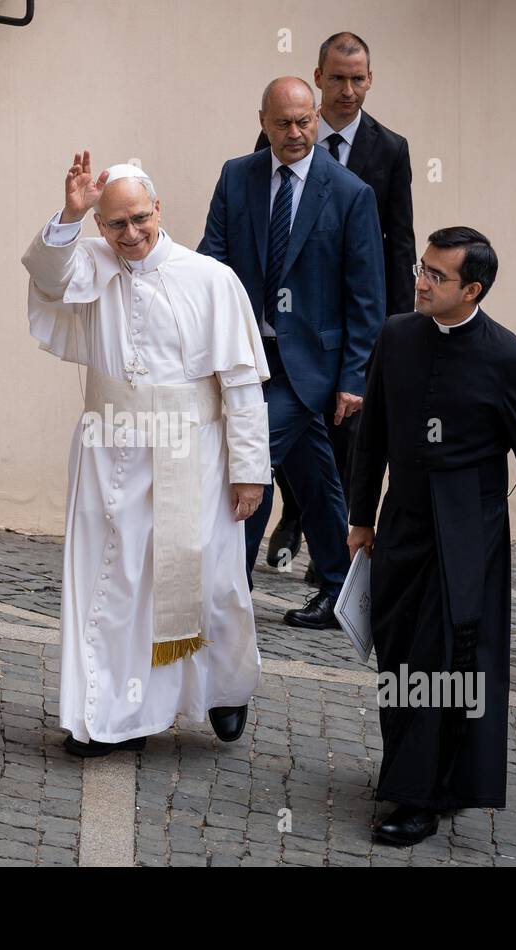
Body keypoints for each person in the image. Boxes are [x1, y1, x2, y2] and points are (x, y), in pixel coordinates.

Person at [23, 153, 271, 757]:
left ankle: (223, 688)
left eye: (139, 219)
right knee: (111, 583)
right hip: (109, 450)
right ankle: (107, 716)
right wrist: (71, 213)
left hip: (194, 453)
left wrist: (250, 471)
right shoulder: (92, 263)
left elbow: (240, 383)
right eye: (114, 225)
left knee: (211, 581)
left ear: (159, 209)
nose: (130, 235)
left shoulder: (211, 278)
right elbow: (48, 275)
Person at [348, 228, 516, 846]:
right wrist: (361, 516)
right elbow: (374, 434)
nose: (421, 282)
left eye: (437, 276)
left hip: (467, 533)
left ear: (471, 289)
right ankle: (409, 771)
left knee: (443, 662)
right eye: (422, 269)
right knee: (398, 655)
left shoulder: (511, 357)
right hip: (402, 521)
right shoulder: (396, 335)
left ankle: (420, 797)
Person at [200, 76, 385, 629]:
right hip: (243, 355)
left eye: (305, 121)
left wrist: (354, 376)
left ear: (318, 118)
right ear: (263, 121)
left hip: (310, 367)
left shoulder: (351, 193)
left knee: (246, 459)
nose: (296, 133)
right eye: (283, 123)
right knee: (314, 475)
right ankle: (342, 588)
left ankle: (230, 584)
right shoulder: (238, 176)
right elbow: (212, 260)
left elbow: (367, 297)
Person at [254, 32, 416, 571]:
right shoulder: (281, 133)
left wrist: (391, 335)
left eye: (359, 78)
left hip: (343, 330)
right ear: (319, 77)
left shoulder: (388, 150)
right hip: (279, 329)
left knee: (338, 449)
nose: (348, 90)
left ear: (370, 80)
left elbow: (397, 246)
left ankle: (309, 555)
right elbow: (261, 229)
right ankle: (317, 553)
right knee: (298, 450)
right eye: (338, 78)